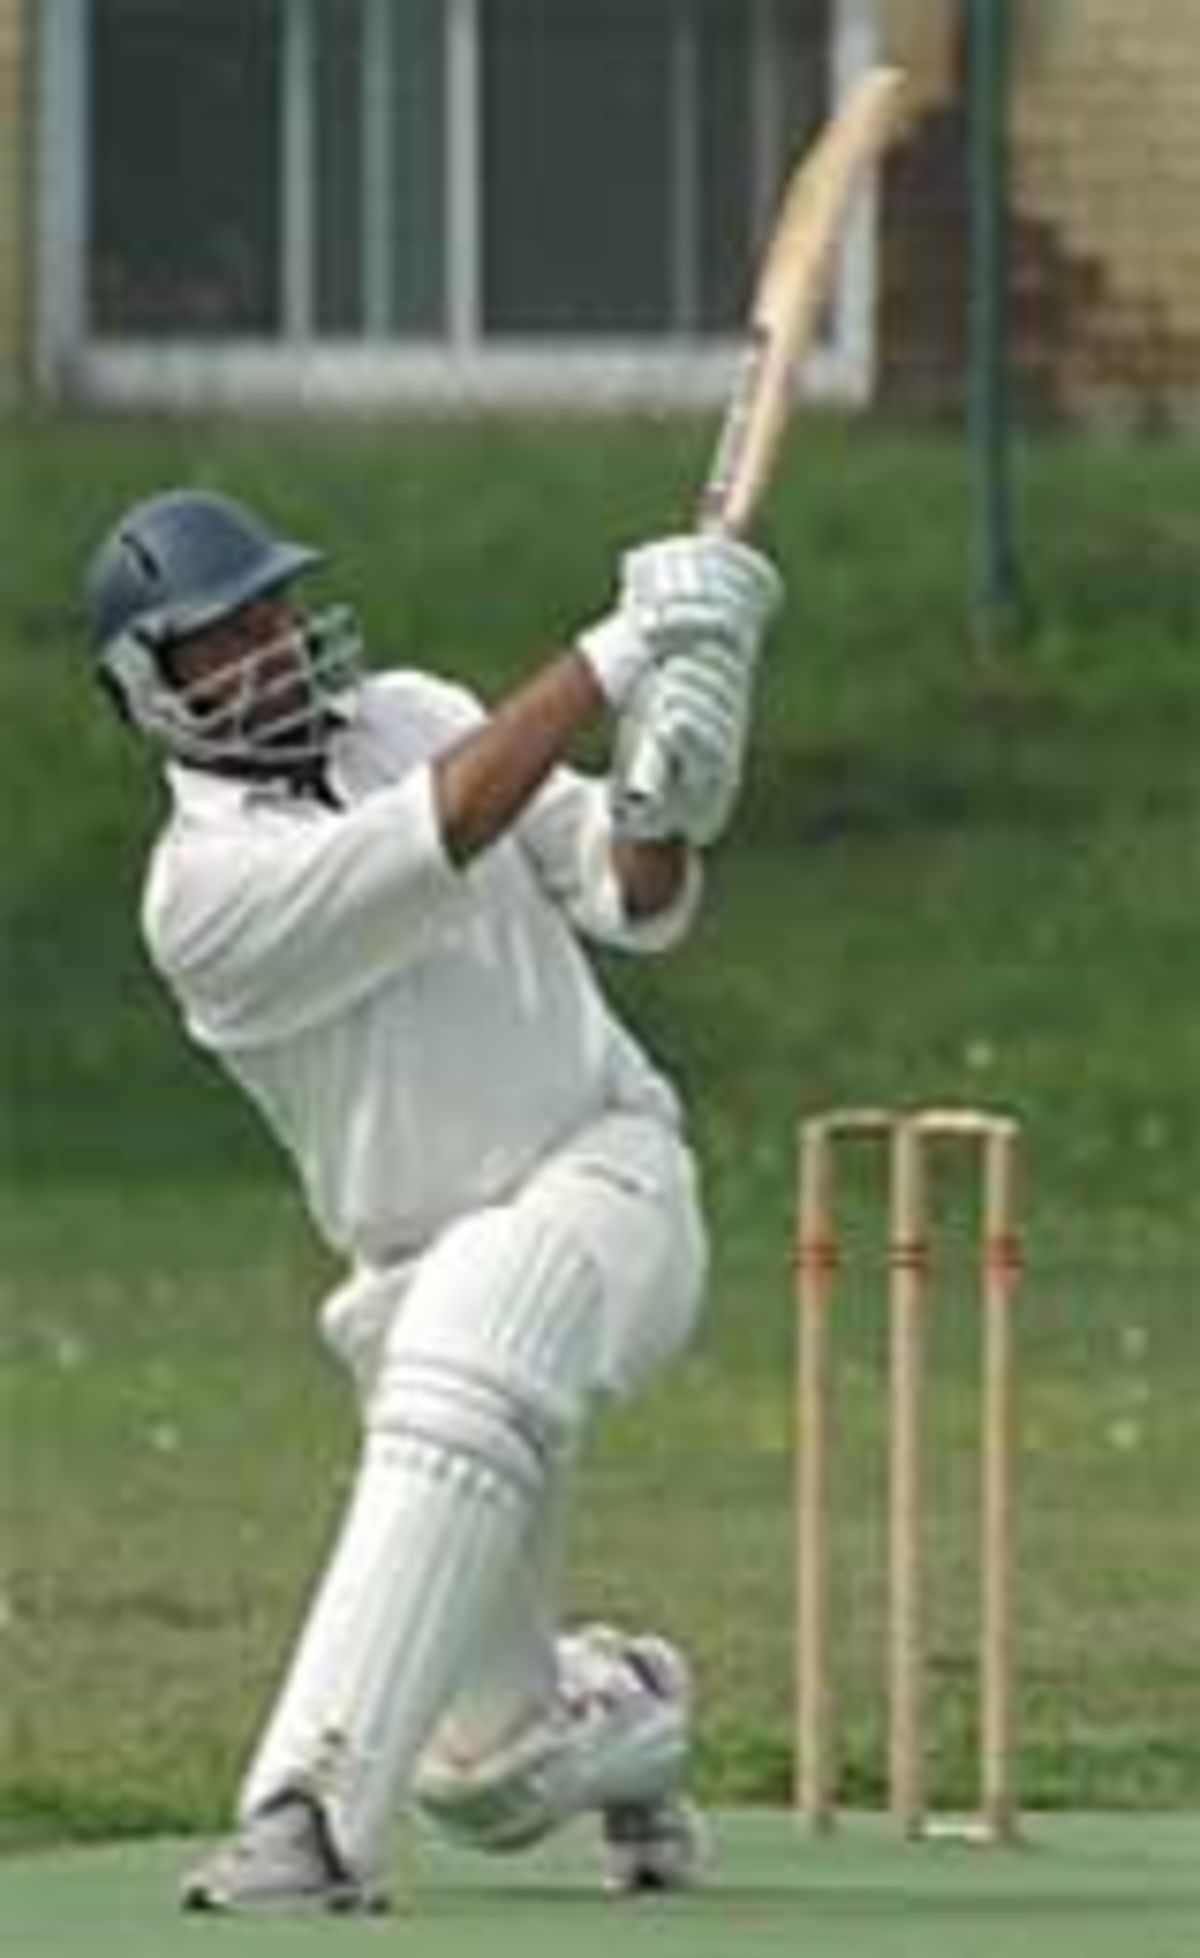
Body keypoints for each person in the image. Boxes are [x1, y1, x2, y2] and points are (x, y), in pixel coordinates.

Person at [83, 486, 781, 1914]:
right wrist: (624, 648)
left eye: (276, 605)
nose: (273, 641)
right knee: (495, 1773)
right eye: (226, 634)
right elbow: (440, 831)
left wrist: (669, 791)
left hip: (607, 1176)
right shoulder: (199, 894)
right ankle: (630, 1710)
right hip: (419, 1289)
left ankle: (304, 1817)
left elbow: (624, 891)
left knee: (487, 1301)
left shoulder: (411, 709)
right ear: (153, 687)